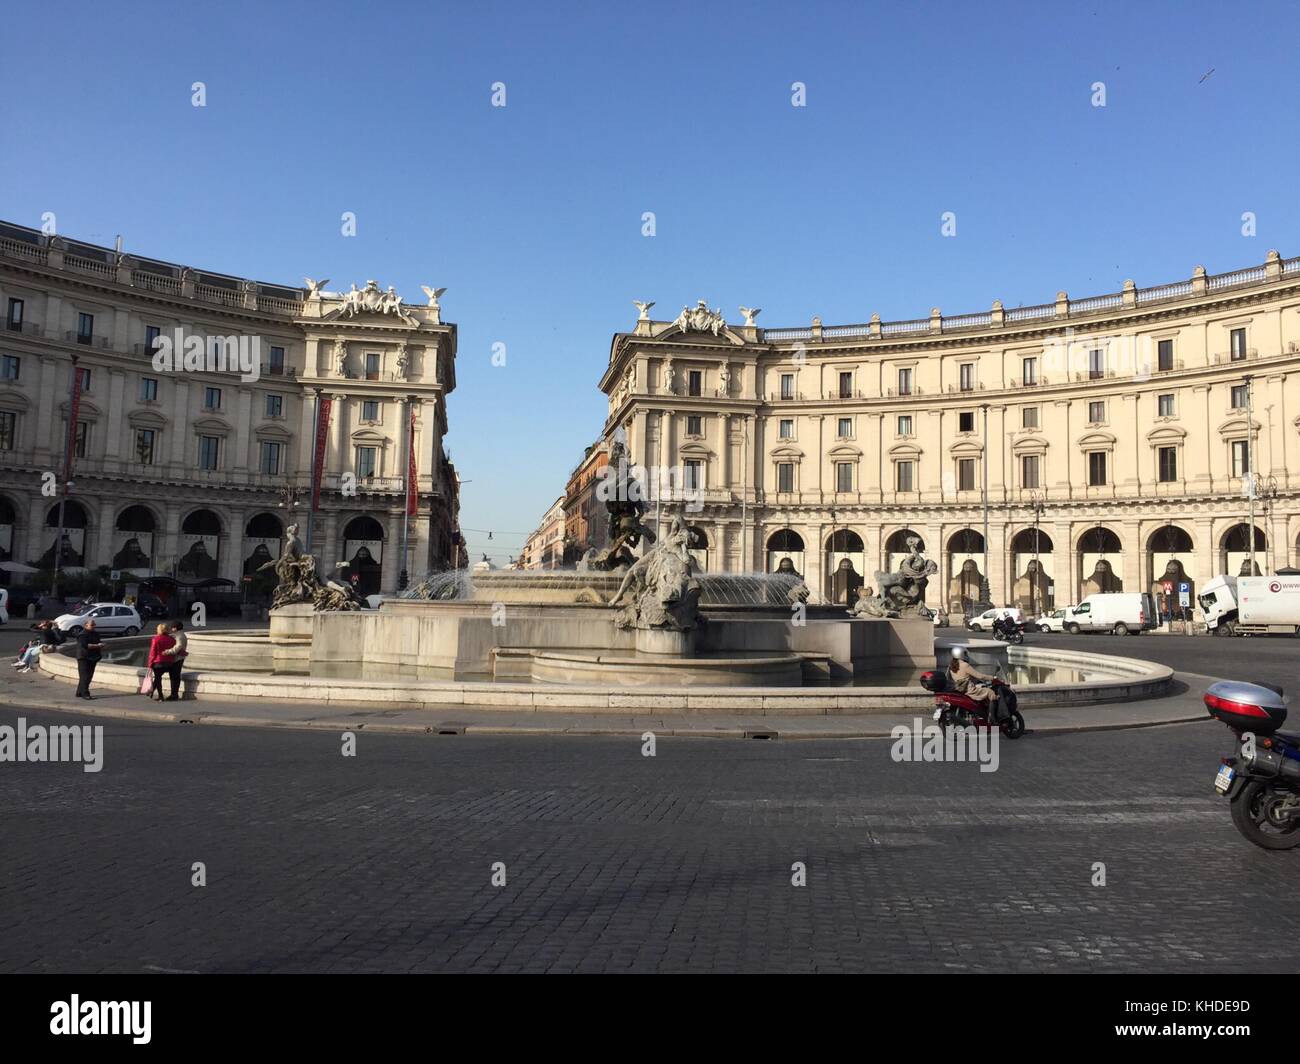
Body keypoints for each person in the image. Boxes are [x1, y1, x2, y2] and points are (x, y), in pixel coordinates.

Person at [946, 646, 1003, 718]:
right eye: (965, 653)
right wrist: (992, 677)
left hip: (960, 689)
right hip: (969, 690)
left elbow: (963, 677)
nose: (966, 655)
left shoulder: (951, 666)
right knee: (990, 692)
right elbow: (979, 676)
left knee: (981, 688)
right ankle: (992, 717)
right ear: (961, 654)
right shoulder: (964, 665)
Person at [145, 623, 176, 702]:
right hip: (169, 662)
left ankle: (160, 696)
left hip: (158, 662)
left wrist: (150, 664)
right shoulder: (172, 639)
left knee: (158, 679)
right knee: (158, 678)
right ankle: (152, 692)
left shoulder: (156, 639)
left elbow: (153, 652)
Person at [74, 619, 104, 699]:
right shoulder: (82, 635)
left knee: (89, 676)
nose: (94, 626)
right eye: (92, 625)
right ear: (86, 625)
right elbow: (86, 645)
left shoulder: (95, 634)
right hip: (84, 657)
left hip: (93, 657)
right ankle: (85, 693)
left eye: (94, 624)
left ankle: (79, 692)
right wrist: (98, 645)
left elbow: (98, 641)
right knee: (85, 676)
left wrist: (100, 645)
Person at [160, 620, 187, 701]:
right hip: (178, 658)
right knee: (174, 677)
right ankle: (174, 694)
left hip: (177, 659)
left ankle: (174, 695)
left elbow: (177, 648)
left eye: (172, 627)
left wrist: (167, 652)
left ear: (175, 628)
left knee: (174, 677)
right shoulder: (179, 634)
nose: (171, 629)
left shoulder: (180, 636)